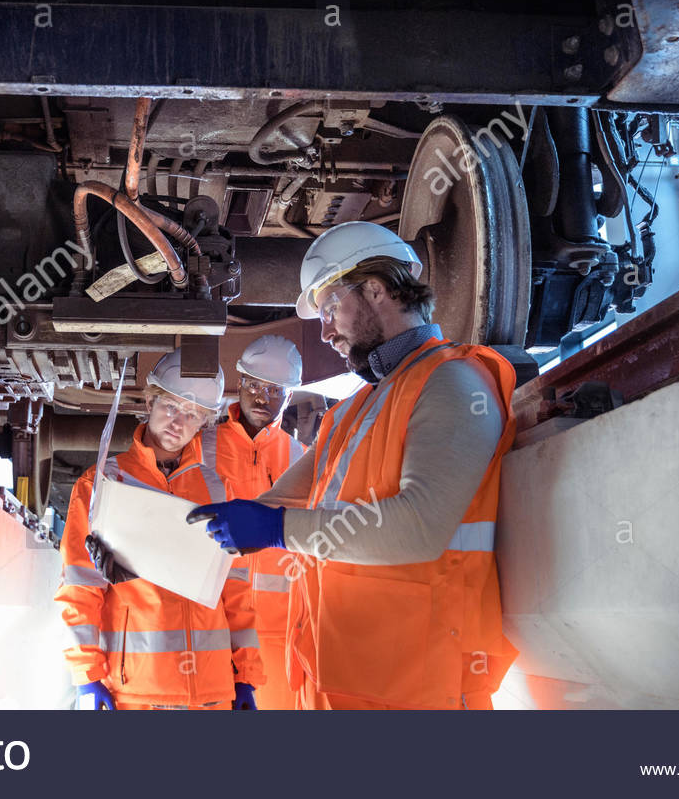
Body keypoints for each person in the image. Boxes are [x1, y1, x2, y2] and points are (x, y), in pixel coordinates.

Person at [188, 221, 519, 710]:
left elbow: (420, 527)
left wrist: (277, 529)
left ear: (376, 290)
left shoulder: (453, 382)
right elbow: (265, 509)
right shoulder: (351, 410)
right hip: (335, 685)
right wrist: (145, 555)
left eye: (329, 309)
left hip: (422, 692)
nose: (324, 331)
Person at [56, 349, 265, 710]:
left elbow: (237, 592)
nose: (178, 423)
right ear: (150, 401)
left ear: (204, 422)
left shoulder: (220, 490)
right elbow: (80, 587)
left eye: (193, 414)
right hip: (135, 691)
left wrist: (246, 675)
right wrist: (86, 675)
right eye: (171, 406)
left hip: (211, 693)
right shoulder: (103, 484)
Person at [213, 335, 307, 709]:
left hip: (280, 638)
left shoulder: (303, 460)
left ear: (289, 396)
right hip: (211, 624)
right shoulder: (202, 446)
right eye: (253, 385)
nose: (261, 398)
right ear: (239, 382)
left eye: (274, 390)